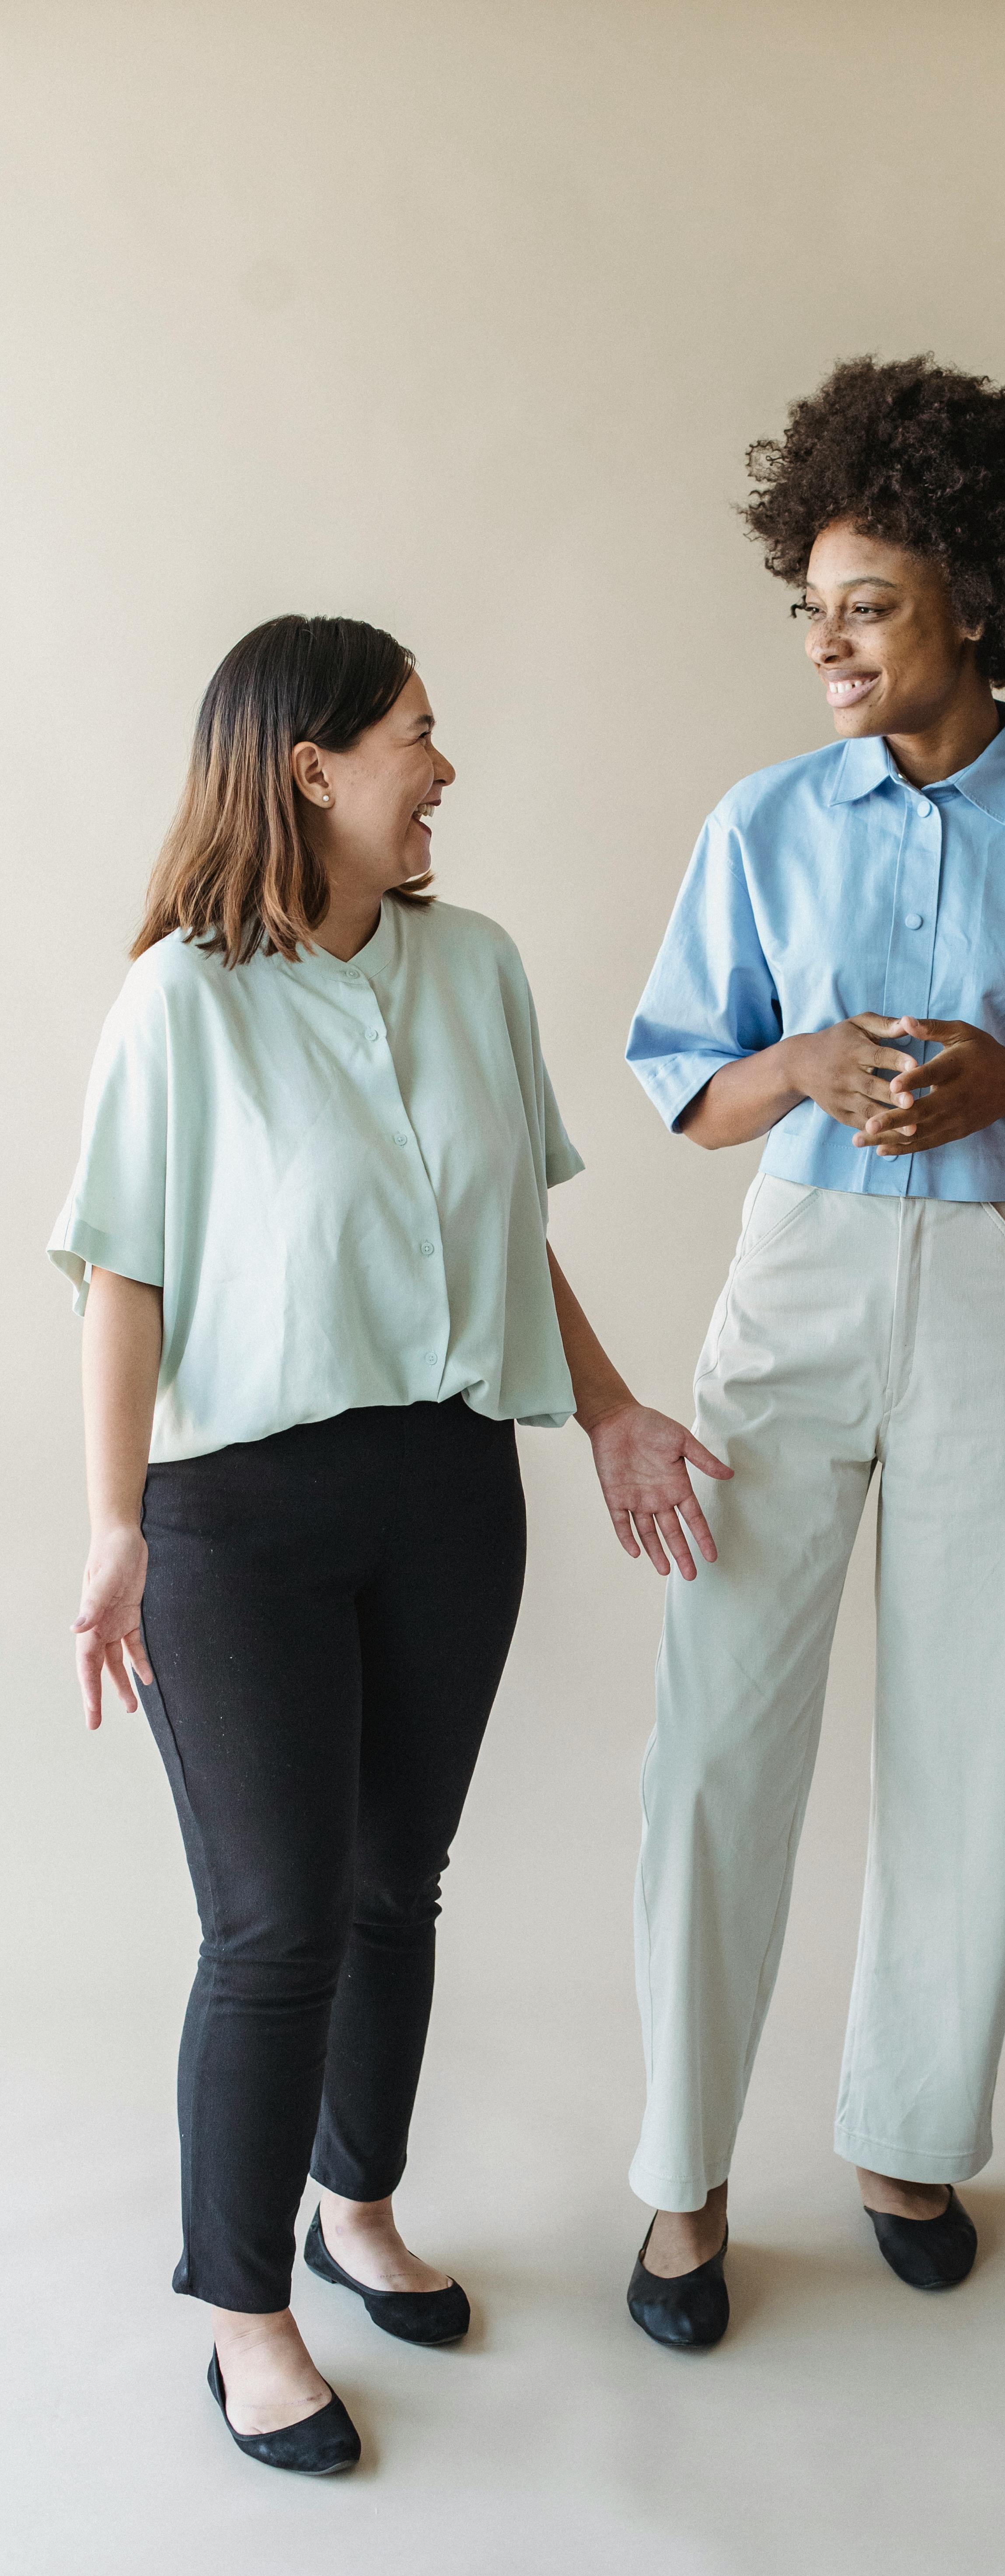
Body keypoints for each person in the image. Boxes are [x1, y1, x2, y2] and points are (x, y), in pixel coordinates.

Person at [55, 615, 726, 2473]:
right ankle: (241, 2312)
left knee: (389, 1889)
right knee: (271, 1928)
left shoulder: (479, 970)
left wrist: (607, 1412)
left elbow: (514, 1236)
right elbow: (124, 1279)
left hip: (446, 1492)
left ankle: (356, 2208)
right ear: (312, 769)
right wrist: (114, 1528)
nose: (445, 768)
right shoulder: (181, 1002)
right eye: (419, 736)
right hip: (239, 1519)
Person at [621, 355, 1005, 2349]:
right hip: (789, 1284)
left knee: (972, 1737)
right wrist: (798, 1061)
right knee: (719, 1731)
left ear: (973, 592)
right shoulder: (763, 822)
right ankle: (682, 2178)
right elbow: (681, 1089)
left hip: (987, 1298)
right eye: (812, 609)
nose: (830, 644)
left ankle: (903, 2137)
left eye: (865, 604)